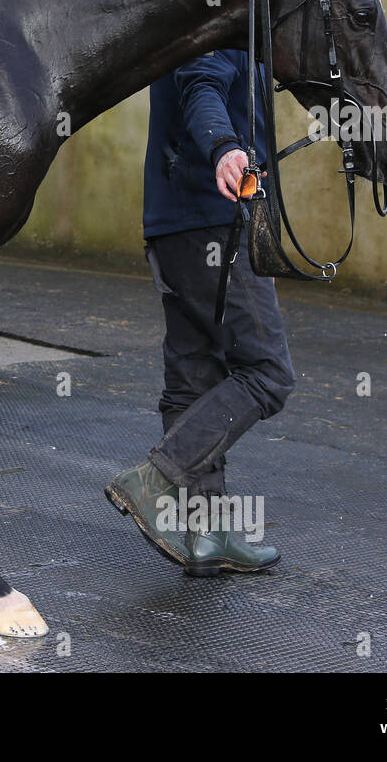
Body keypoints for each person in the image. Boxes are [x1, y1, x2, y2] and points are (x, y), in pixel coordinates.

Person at [105, 49, 295, 576]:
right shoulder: (221, 10)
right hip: (215, 221)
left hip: (172, 223)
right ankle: (156, 476)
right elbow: (202, 86)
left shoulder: (204, 5)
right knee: (268, 373)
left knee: (193, 378)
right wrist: (224, 148)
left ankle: (205, 535)